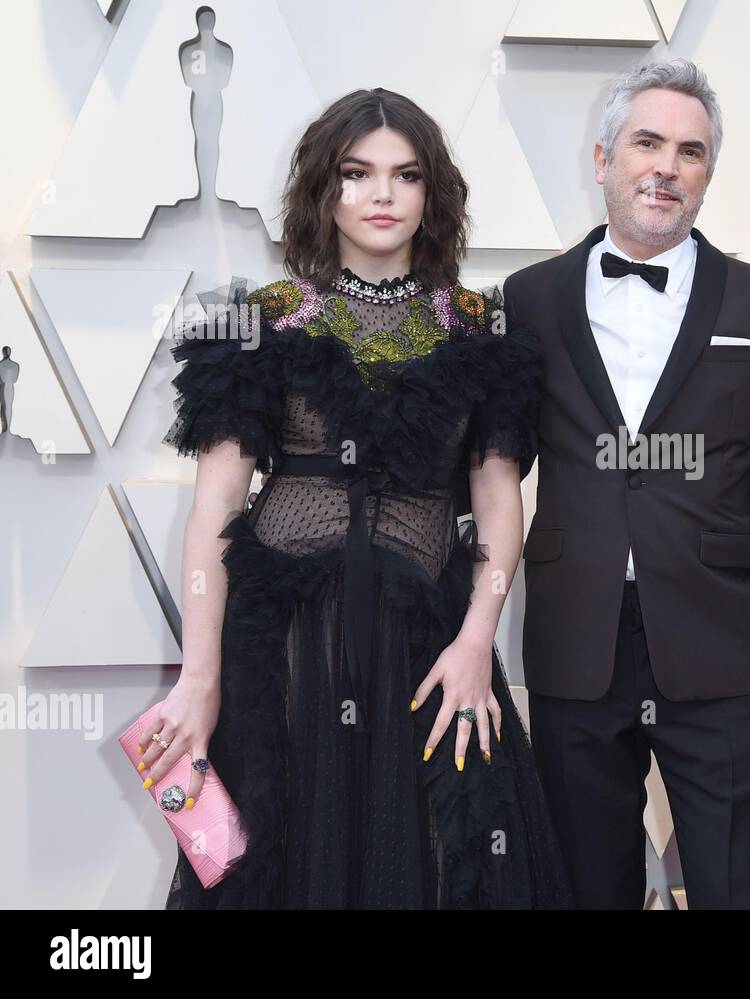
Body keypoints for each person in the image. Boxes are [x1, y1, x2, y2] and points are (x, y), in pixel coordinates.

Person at [143, 87, 571, 908]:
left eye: (405, 175)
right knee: (273, 853)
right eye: (357, 172)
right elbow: (214, 512)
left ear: (431, 192)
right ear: (323, 187)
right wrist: (201, 676)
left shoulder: (480, 327)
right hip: (285, 649)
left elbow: (499, 501)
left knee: (446, 859)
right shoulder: (265, 320)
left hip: (433, 647)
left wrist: (480, 637)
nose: (382, 194)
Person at [502, 59, 750, 909]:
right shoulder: (529, 298)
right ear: (605, 156)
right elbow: (493, 474)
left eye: (690, 152)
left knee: (737, 889)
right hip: (577, 646)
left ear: (707, 175)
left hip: (725, 652)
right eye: (647, 143)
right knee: (585, 888)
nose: (666, 167)